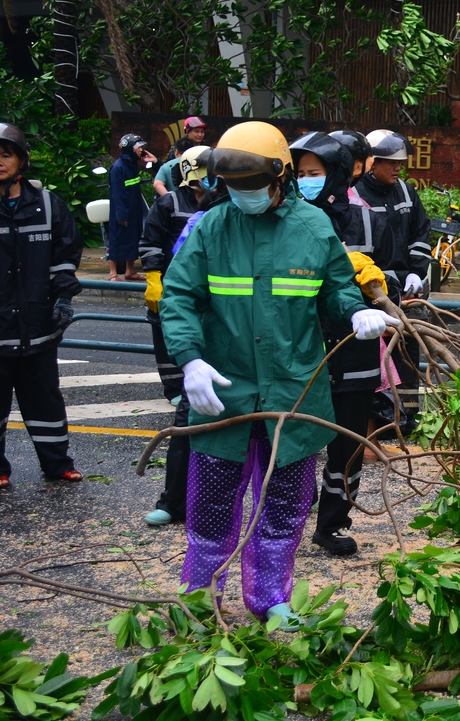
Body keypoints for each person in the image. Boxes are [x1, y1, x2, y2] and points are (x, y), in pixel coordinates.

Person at [159, 121, 397, 625]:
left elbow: (335, 290)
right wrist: (190, 359)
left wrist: (356, 312)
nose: (244, 195)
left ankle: (271, 599)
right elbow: (178, 296)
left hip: (294, 393)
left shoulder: (313, 228)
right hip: (222, 392)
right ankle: (201, 603)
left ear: (281, 177)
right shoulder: (210, 229)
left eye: (254, 185)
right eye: (235, 186)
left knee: (284, 509)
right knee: (210, 510)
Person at [289, 131, 399, 556]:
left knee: (348, 445)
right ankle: (290, 515)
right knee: (296, 438)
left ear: (335, 174)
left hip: (356, 346)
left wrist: (375, 281)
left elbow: (390, 280)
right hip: (303, 346)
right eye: (299, 173)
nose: (305, 180)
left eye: (314, 173)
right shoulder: (285, 220)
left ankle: (333, 523)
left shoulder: (370, 219)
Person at [0, 123, 83, 488]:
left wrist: (62, 299)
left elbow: (64, 256)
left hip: (38, 329)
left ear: (22, 160)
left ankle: (58, 465)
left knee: (45, 402)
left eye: (4, 154)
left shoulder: (47, 205)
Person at [137, 145, 212, 526]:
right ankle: (174, 500)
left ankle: (294, 497)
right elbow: (179, 276)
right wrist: (156, 279)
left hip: (256, 338)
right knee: (187, 420)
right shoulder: (191, 216)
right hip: (205, 329)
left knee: (276, 425)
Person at [352, 130, 430, 434]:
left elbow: (420, 234)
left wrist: (416, 271)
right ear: (372, 162)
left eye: (401, 163)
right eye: (391, 163)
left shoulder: (407, 193)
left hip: (407, 290)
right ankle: (380, 424)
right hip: (372, 292)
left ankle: (407, 420)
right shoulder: (356, 195)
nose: (398, 168)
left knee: (409, 353)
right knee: (379, 360)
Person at [108, 134, 155, 281]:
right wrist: (121, 215)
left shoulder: (132, 164)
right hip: (122, 211)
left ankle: (130, 271)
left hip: (134, 209)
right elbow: (118, 194)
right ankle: (113, 274)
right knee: (117, 240)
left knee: (133, 239)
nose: (141, 150)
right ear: (129, 149)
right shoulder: (118, 168)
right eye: (138, 147)